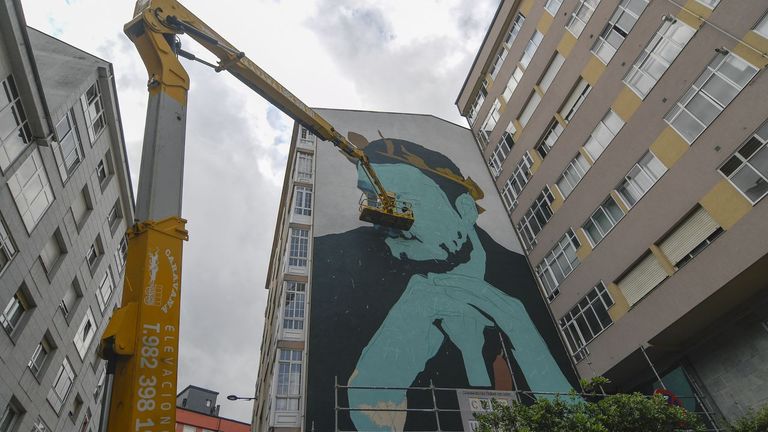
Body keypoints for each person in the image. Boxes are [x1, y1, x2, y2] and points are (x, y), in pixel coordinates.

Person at [305, 134, 576, 432]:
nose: (386, 219)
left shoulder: (529, 278)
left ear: (465, 209)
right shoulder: (330, 265)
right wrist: (376, 382)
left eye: (405, 203)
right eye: (374, 199)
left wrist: (535, 356)